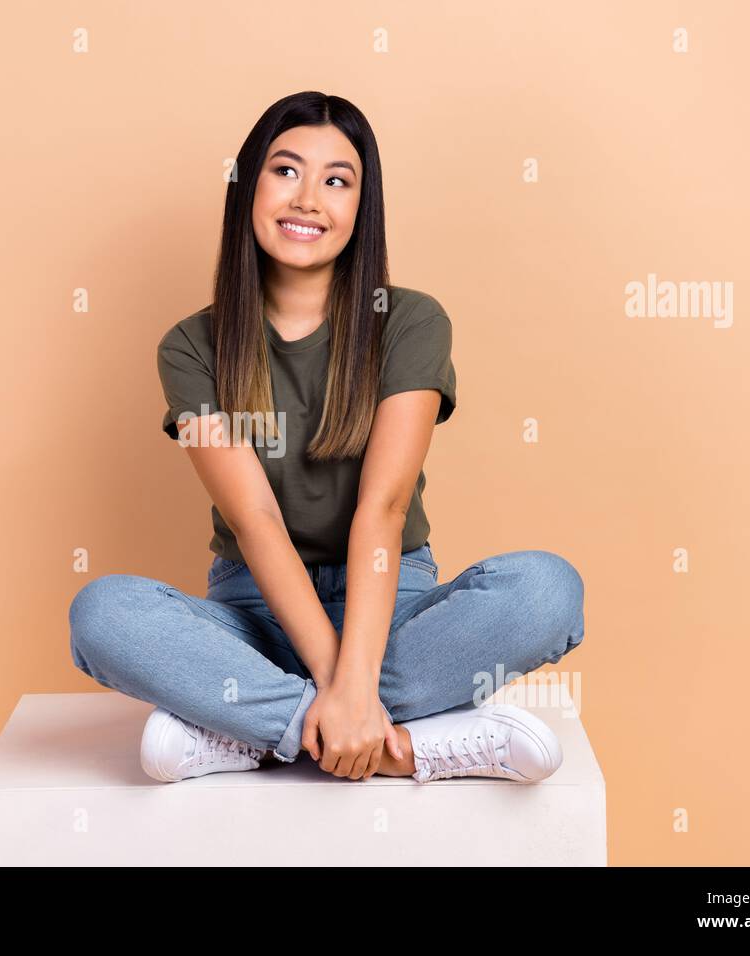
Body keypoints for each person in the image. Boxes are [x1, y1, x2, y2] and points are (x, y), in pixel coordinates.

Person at [69, 91, 585, 784]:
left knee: (547, 590)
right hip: (257, 616)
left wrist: (356, 680)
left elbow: (384, 507)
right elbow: (254, 518)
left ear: (361, 208)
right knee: (102, 614)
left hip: (392, 607)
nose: (308, 199)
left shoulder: (411, 322)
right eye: (285, 171)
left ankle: (258, 734)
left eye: (336, 181)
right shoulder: (191, 347)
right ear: (248, 188)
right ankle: (405, 746)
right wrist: (336, 684)